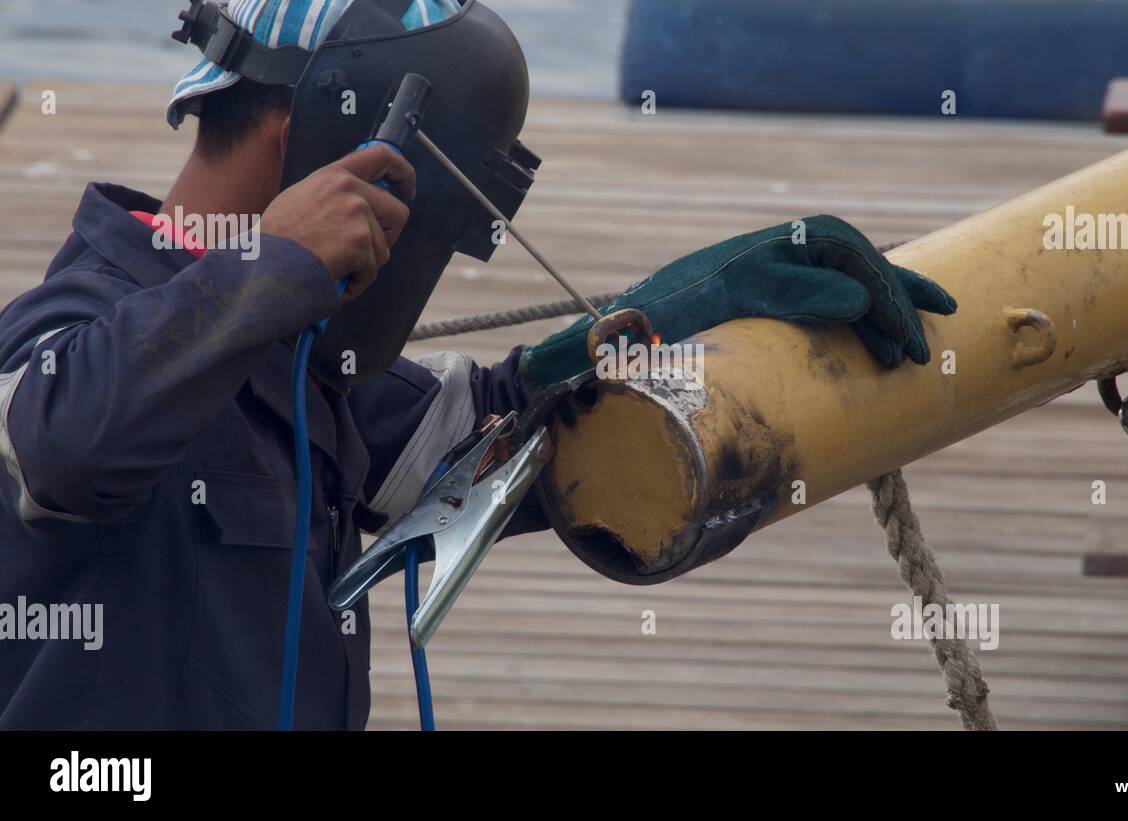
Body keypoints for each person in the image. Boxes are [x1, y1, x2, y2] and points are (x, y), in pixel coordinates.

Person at [0, 0, 955, 729]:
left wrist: (693, 307)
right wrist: (272, 266)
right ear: (329, 138)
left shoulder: (298, 369)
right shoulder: (80, 317)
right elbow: (59, 443)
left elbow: (499, 430)